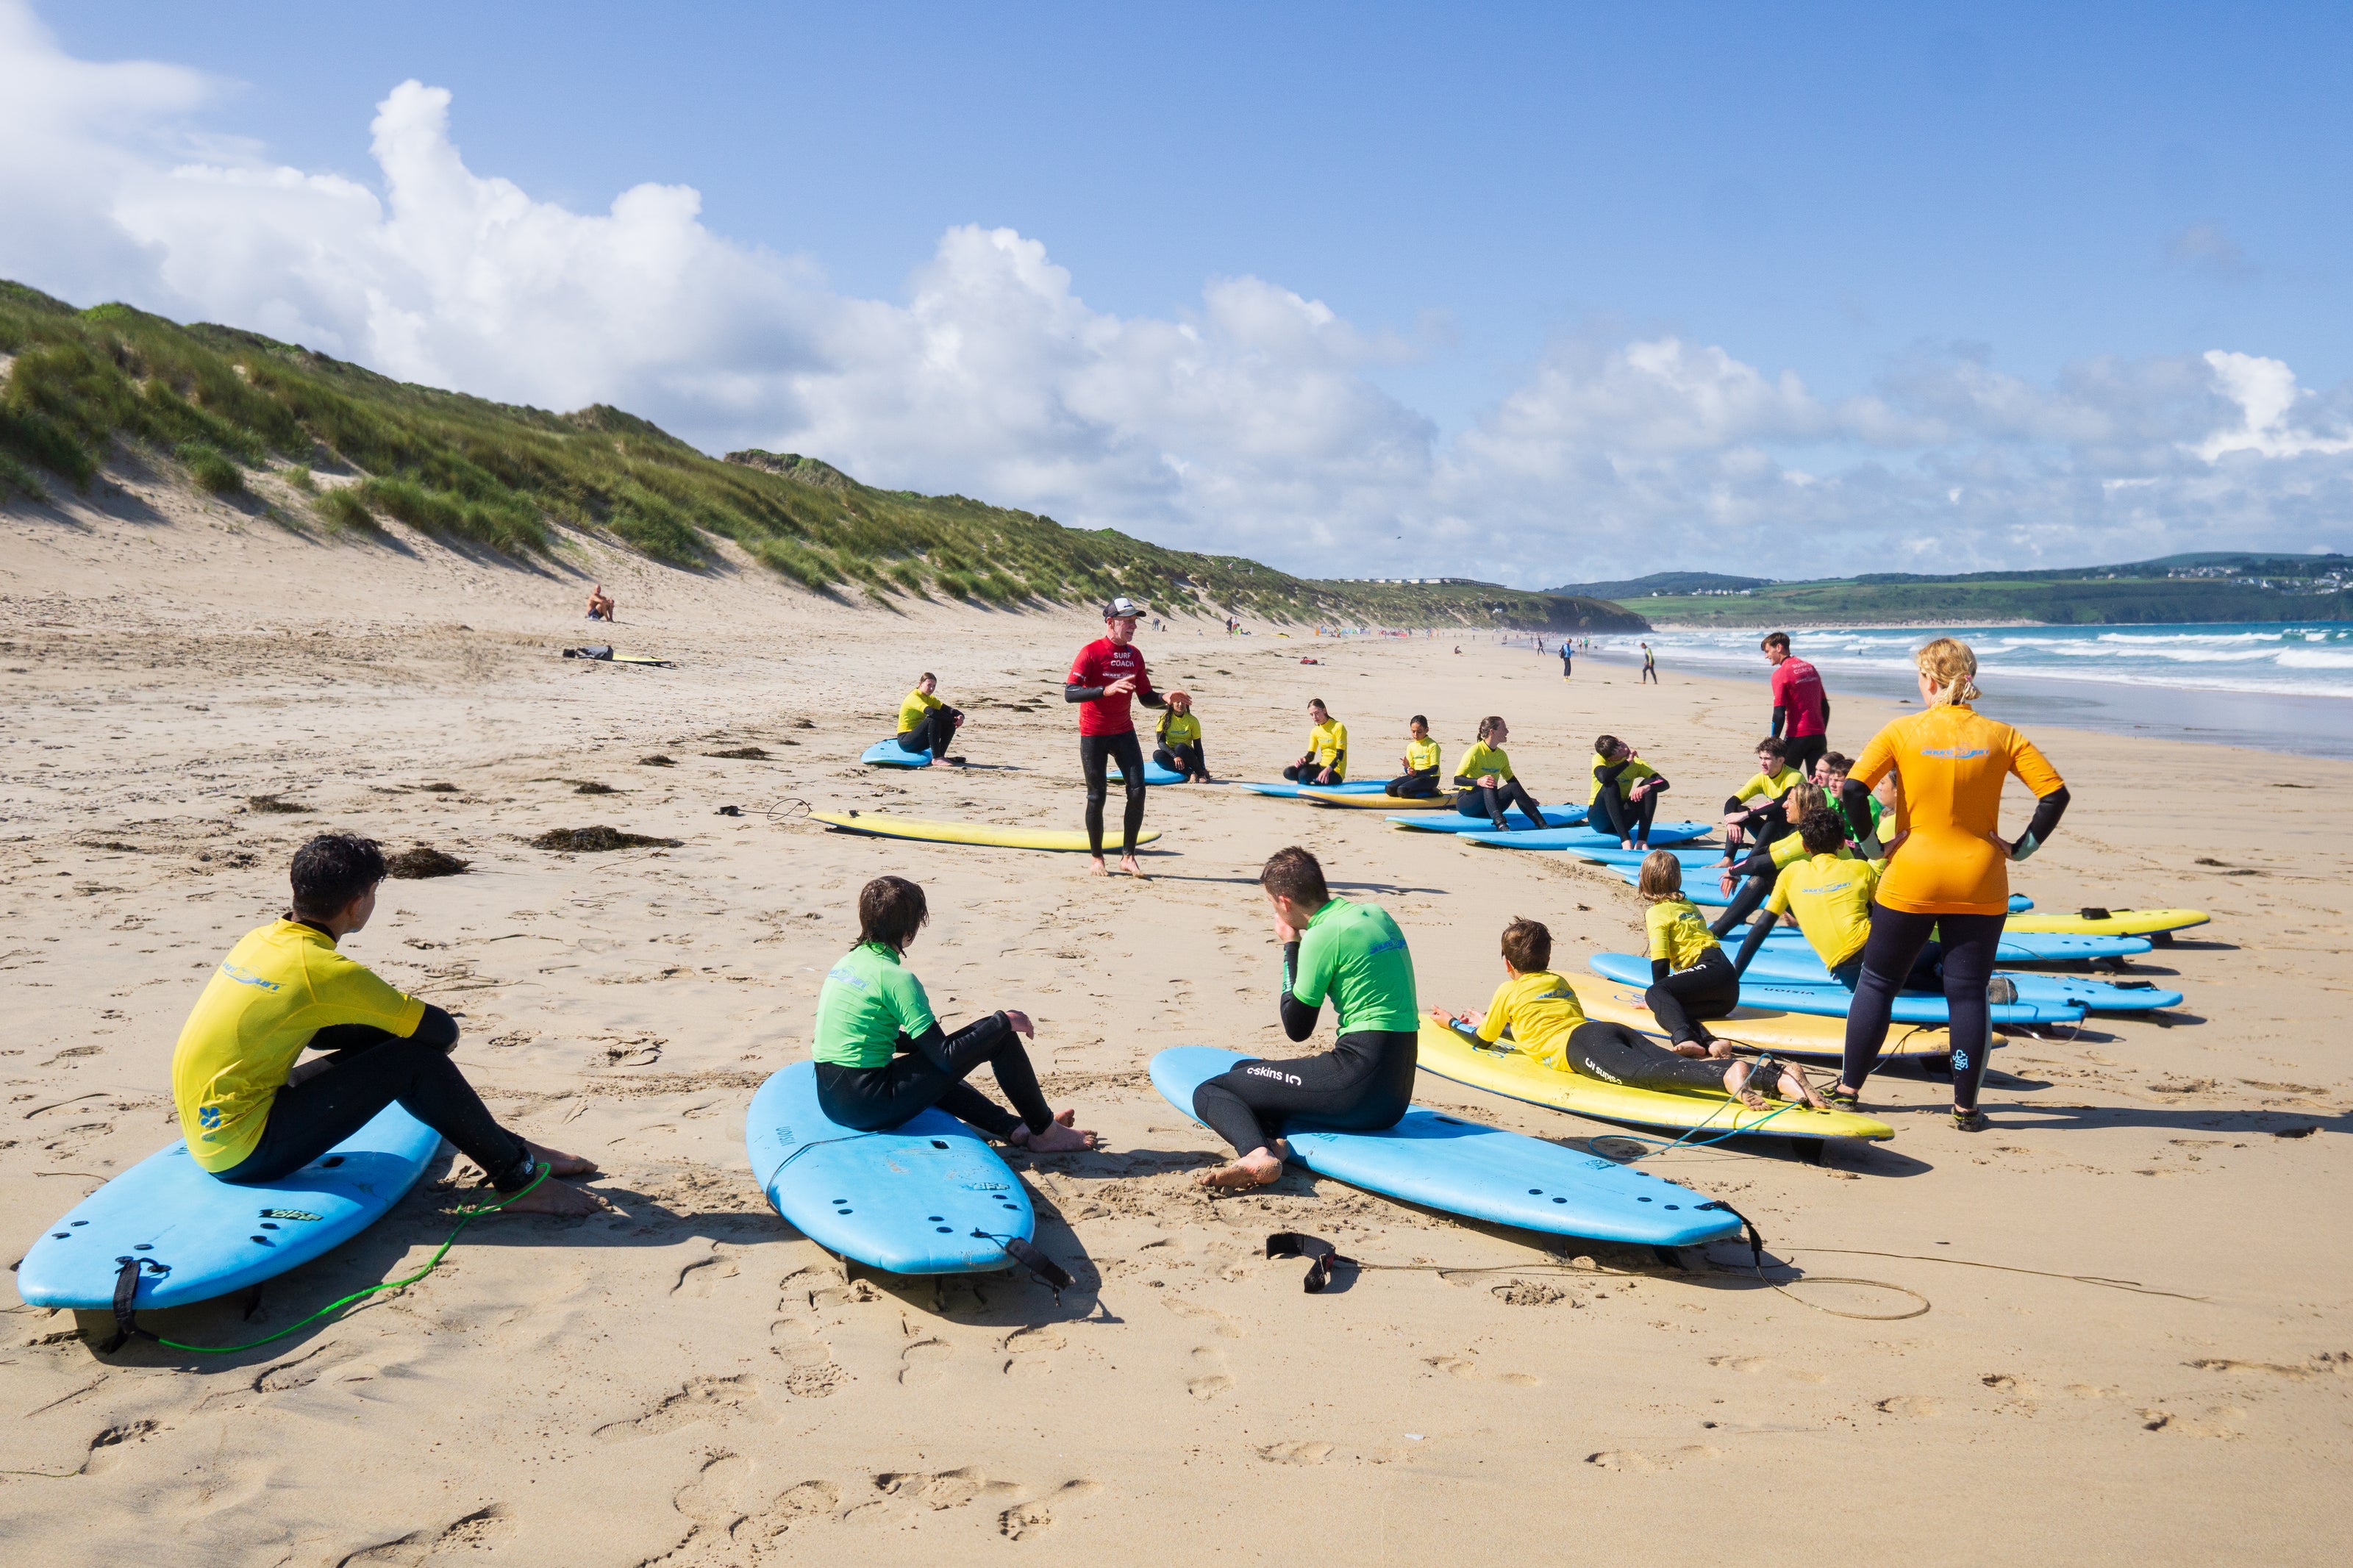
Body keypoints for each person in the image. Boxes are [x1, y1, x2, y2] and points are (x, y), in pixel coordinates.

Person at [169, 834, 604, 1214]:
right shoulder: (324, 969)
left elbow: (320, 1035)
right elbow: (443, 1033)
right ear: (358, 902)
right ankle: (519, 1181)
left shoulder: (261, 940)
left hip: (211, 1127)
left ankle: (517, 1149)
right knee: (415, 1062)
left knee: (393, 1052)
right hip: (244, 1150)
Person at [1833, 638, 2070, 1131]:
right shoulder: (2002, 734)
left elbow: (1853, 790)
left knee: (1878, 983)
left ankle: (1849, 1089)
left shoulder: (1901, 730)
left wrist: (1874, 849)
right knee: (1966, 994)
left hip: (1912, 874)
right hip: (1980, 877)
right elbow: (2054, 793)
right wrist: (2022, 847)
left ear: (1931, 681)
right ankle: (1965, 1107)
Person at [813, 876, 1095, 1150]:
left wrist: (971, 1039)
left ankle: (1017, 1128)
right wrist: (1001, 1023)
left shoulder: (848, 963)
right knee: (999, 1038)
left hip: (832, 1098)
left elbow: (869, 1036)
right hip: (867, 1106)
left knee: (941, 1063)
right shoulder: (896, 978)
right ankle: (1046, 1133)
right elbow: (946, 1059)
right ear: (909, 931)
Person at [1193, 848, 1418, 1189]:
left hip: (1359, 1084)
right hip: (1394, 1095)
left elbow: (1297, 1027)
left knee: (1210, 1090)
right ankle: (1275, 1144)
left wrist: (1291, 945)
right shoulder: (1376, 914)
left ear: (1284, 902)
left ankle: (1257, 1155)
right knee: (1244, 1070)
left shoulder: (1322, 935)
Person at [1443, 917, 1818, 1111]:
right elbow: (1534, 1030)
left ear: (1507, 963)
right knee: (1663, 1060)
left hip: (1580, 1048)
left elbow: (1481, 1041)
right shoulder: (1558, 981)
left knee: (1649, 1075)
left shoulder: (1507, 991)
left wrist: (1455, 1023)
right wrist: (1501, 1026)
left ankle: (1727, 1078)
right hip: (1605, 1032)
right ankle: (1779, 1077)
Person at [1066, 596, 1166, 877]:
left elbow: (1146, 698)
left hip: (1124, 732)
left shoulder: (1135, 655)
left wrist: (1166, 698)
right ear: (1110, 622)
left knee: (1137, 790)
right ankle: (1097, 857)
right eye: (1128, 620)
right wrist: (1103, 691)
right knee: (1097, 796)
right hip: (1094, 734)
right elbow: (1069, 692)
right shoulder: (1091, 652)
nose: (1134, 626)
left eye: (1136, 621)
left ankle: (1128, 856)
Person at [1635, 853, 1742, 1057]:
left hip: (1709, 970)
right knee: (1675, 1012)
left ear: (1646, 880)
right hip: (1728, 988)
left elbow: (1660, 960)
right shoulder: (1689, 905)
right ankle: (1712, 1044)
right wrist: (1664, 1003)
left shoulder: (1656, 913)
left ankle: (1684, 1038)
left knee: (1656, 995)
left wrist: (1657, 998)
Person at [1709, 779, 1827, 937]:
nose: (1784, 805)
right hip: (1819, 899)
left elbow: (1760, 863)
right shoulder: (1810, 829)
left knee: (1766, 875)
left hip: (1826, 915)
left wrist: (1733, 872)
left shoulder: (1811, 838)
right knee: (1769, 872)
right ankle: (1723, 926)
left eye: (1790, 801)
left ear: (1805, 807)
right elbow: (1767, 850)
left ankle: (1716, 931)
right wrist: (1736, 870)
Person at [1453, 715, 1546, 830]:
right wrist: (1479, 781)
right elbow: (1457, 779)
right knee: (1488, 782)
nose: (1507, 731)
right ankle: (1500, 824)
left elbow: (1512, 781)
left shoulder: (1501, 755)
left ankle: (1542, 824)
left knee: (1513, 787)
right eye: (1504, 728)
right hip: (1468, 804)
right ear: (1492, 731)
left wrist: (1524, 798)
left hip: (1490, 806)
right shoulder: (1474, 751)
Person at [1762, 632, 1829, 777]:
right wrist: (1820, 731)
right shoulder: (1810, 668)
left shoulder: (1781, 673)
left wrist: (1773, 742)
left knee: (1783, 780)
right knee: (1817, 785)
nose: (1766, 656)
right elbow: (1825, 707)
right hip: (1819, 737)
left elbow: (1779, 714)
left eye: (1767, 651)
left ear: (1778, 647)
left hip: (1797, 736)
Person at [1588, 734, 1669, 849]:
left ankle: (1642, 841)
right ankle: (1625, 841)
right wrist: (1627, 762)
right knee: (1610, 784)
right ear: (1611, 758)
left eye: (1621, 744)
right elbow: (1604, 777)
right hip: (1600, 820)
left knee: (1650, 784)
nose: (1624, 748)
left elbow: (1664, 783)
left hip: (1623, 820)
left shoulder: (1637, 764)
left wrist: (1647, 787)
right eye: (1619, 751)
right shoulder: (1599, 758)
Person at [895, 672, 963, 764]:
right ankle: (937, 758)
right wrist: (954, 719)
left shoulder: (930, 698)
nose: (932, 689)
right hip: (906, 741)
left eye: (934, 686)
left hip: (919, 739)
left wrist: (960, 717)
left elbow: (949, 710)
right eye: (929, 685)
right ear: (920, 684)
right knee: (933, 719)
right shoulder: (913, 697)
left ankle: (941, 756)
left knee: (949, 723)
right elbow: (932, 712)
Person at [1282, 699, 1349, 784]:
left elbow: (1340, 756)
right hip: (1321, 767)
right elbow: (1311, 755)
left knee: (1304, 774)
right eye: (1311, 715)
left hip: (1335, 771)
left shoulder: (1338, 727)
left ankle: (1303, 780)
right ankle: (1305, 780)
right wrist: (1304, 759)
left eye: (1317, 713)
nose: (1314, 717)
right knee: (1288, 772)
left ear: (1324, 710)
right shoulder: (1315, 731)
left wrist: (1327, 770)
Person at [1152, 689, 1209, 781]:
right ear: (1171, 704)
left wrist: (1202, 768)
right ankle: (1189, 772)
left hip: (1187, 753)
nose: (1180, 705)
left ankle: (1200, 774)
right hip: (1172, 754)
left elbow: (1198, 746)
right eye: (1177, 702)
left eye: (1183, 702)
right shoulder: (1163, 719)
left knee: (1180, 747)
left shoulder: (1192, 721)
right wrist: (1175, 756)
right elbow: (1161, 742)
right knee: (1157, 755)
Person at [1387, 715, 1444, 798]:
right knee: (1390, 788)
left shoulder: (1433, 745)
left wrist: (1417, 773)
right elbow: (1410, 770)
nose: (1416, 735)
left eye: (1419, 732)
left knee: (1402, 790)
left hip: (1431, 778)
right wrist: (1407, 768)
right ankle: (1420, 789)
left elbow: (1434, 770)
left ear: (1427, 730)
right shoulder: (1411, 747)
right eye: (1413, 731)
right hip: (1416, 776)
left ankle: (1432, 792)